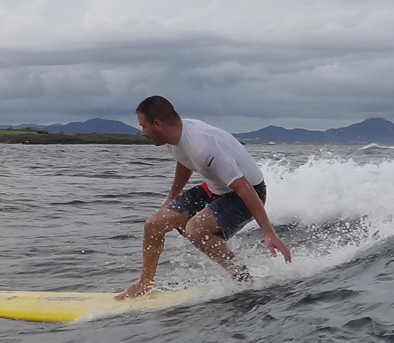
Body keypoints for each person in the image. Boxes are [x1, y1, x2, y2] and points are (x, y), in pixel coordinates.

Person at [117, 95, 291, 298]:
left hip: (249, 193)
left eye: (143, 126)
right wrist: (172, 196)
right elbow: (185, 160)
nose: (142, 132)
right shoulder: (173, 138)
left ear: (158, 124)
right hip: (216, 189)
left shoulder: (204, 146)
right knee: (154, 224)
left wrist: (269, 233)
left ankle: (243, 279)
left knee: (196, 230)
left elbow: (244, 188)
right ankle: (145, 283)